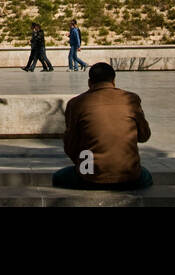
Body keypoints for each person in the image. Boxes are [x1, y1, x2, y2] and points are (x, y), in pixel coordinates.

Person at [53, 62, 153, 191]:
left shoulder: (76, 103)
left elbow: (71, 145)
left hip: (90, 176)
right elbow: (144, 136)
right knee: (147, 176)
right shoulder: (131, 99)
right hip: (129, 176)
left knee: (58, 177)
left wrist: (86, 166)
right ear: (114, 81)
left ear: (89, 82)